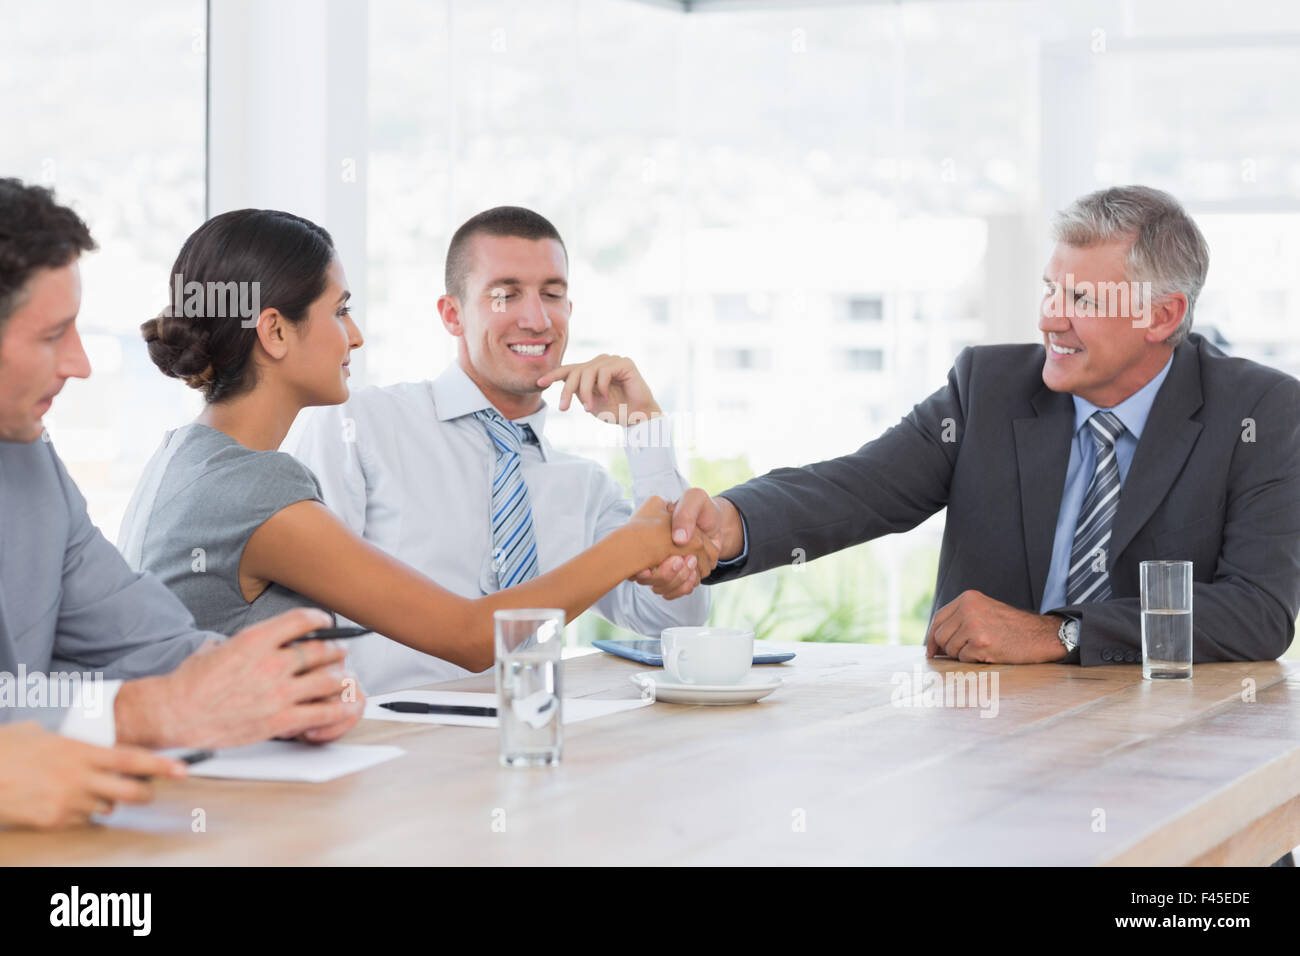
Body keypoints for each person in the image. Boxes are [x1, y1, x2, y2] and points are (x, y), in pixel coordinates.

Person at [671, 185, 1300, 666]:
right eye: (1052, 290)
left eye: (1082, 301)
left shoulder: (1258, 412)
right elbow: (860, 486)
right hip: (991, 741)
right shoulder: (990, 388)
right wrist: (731, 524)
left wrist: (1063, 632)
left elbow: (1258, 612)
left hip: (1166, 745)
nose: (1051, 320)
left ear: (1162, 317)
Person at [122, 208, 715, 685]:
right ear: (275, 331)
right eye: (341, 310)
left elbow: (674, 621)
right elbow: (470, 636)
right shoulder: (265, 481)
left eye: (553, 294)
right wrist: (633, 544)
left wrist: (646, 432)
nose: (356, 334)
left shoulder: (191, 456)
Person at [0, 178, 362, 827]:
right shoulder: (245, 480)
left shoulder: (33, 468)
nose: (81, 364)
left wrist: (276, 690)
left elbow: (149, 642)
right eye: (54, 334)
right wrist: (142, 713)